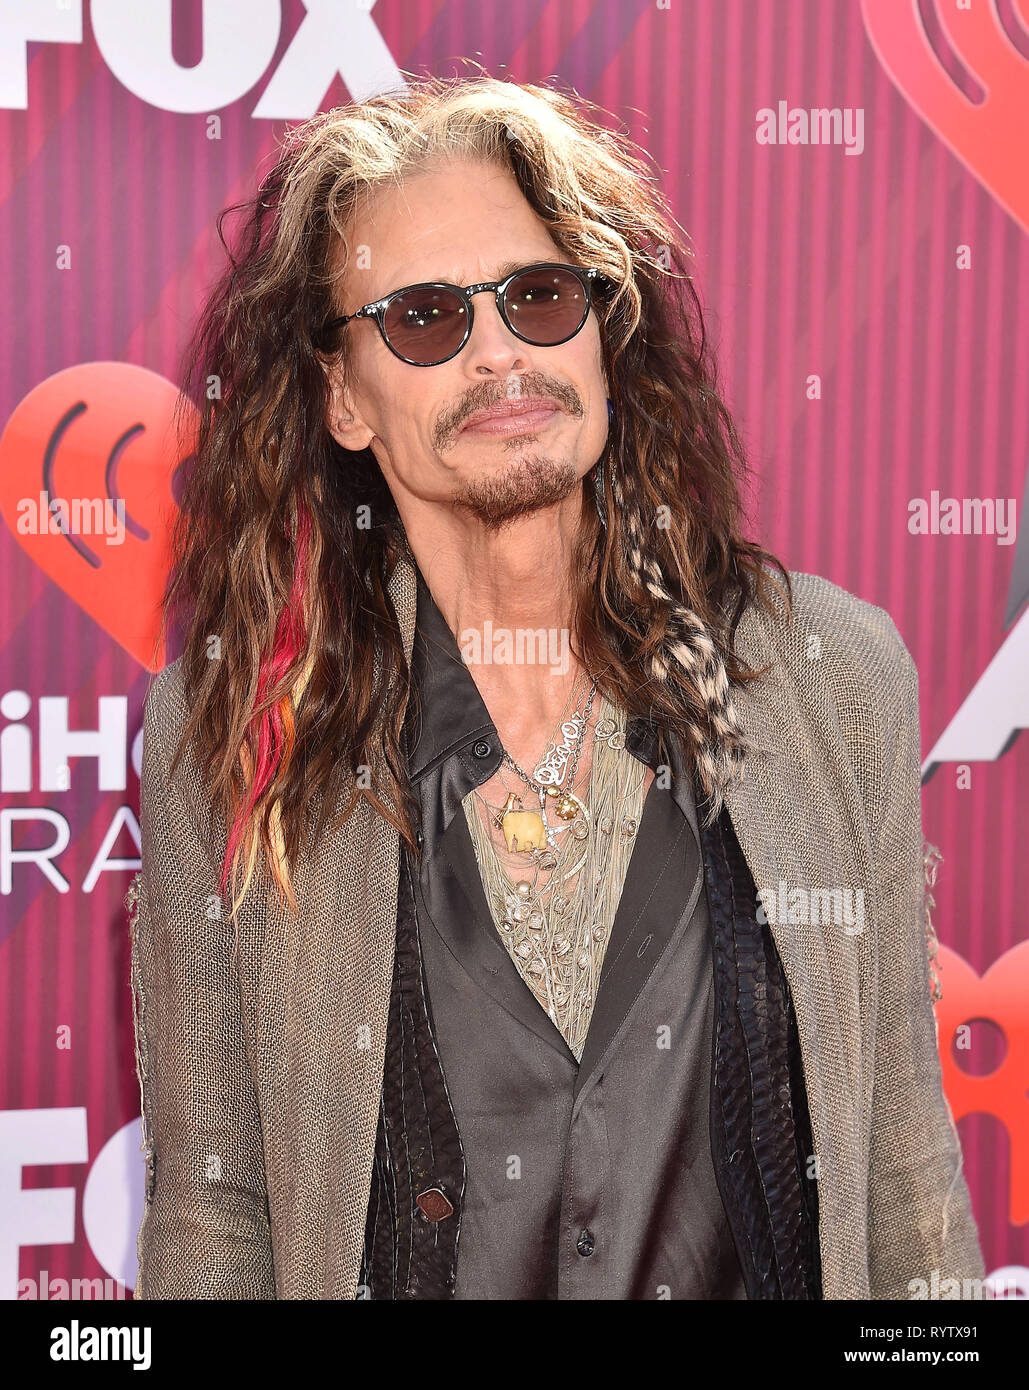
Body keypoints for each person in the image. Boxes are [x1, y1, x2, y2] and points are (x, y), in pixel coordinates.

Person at [126, 74, 984, 1300]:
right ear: (344, 397)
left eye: (539, 297)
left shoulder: (830, 677)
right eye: (425, 318)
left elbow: (900, 1169)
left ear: (601, 330)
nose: (500, 355)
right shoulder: (230, 733)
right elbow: (217, 1210)